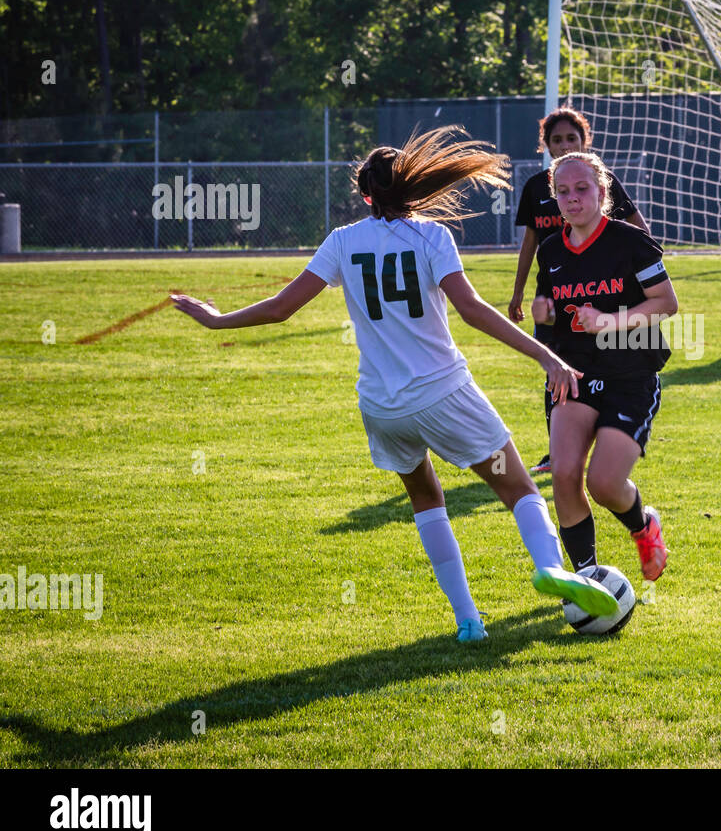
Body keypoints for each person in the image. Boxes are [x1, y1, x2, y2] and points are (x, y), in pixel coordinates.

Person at [170, 128, 618, 642]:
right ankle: (550, 568)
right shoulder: (432, 236)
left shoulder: (342, 242)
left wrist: (217, 319)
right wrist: (546, 355)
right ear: (410, 184)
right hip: (443, 393)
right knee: (518, 487)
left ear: (364, 195)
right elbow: (472, 310)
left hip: (382, 407)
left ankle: (468, 621)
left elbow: (280, 309)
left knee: (427, 499)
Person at [531, 152, 676, 581]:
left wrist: (611, 321)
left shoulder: (629, 242)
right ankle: (586, 578)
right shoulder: (552, 251)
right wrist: (546, 314)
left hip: (629, 375)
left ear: (602, 192)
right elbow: (552, 314)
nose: (572, 199)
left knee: (604, 483)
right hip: (575, 374)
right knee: (564, 474)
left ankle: (643, 525)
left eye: (582, 189)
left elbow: (666, 303)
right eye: (562, 191)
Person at [509, 107, 649, 474]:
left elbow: (638, 228)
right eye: (557, 139)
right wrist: (519, 291)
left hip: (604, 293)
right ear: (546, 145)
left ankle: (609, 437)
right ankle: (558, 450)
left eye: (572, 138)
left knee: (606, 361)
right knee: (554, 364)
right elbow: (530, 242)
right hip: (555, 296)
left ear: (584, 140)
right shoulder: (537, 188)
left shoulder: (602, 181)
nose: (565, 144)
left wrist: (644, 268)